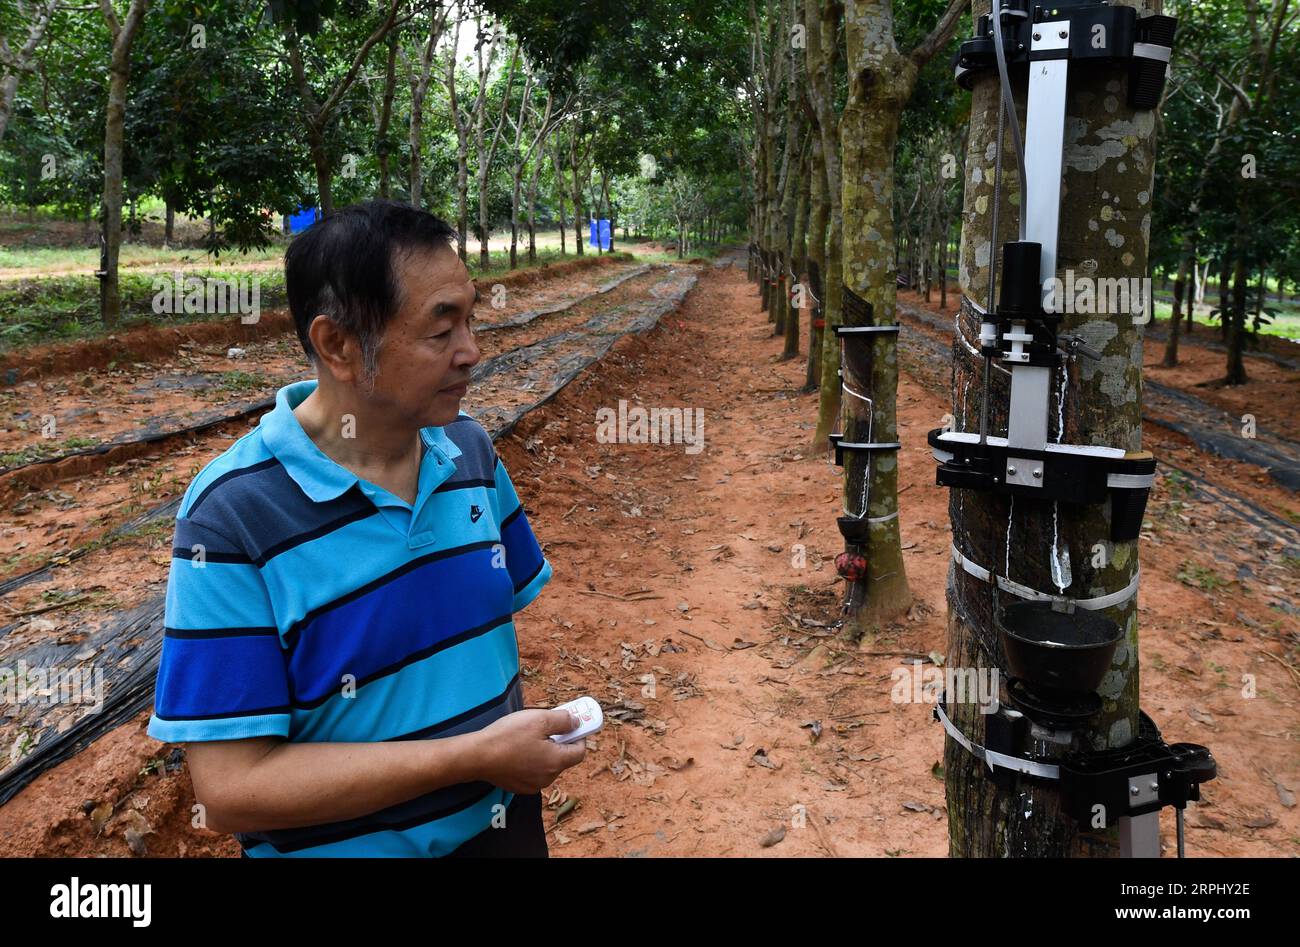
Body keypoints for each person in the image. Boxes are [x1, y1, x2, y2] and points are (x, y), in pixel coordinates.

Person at [146, 200, 585, 857]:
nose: (472, 352)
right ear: (339, 346)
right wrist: (469, 758)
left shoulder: (469, 451)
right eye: (442, 332)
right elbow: (231, 789)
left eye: (471, 319)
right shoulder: (233, 515)